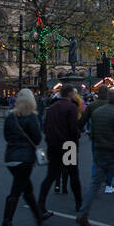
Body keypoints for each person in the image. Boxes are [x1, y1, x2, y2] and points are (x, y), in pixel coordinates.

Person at [76, 86, 114, 226]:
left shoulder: (97, 111)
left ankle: (83, 213)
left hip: (99, 150)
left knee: (95, 183)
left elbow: (91, 130)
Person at [0, 88, 52, 226]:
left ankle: (38, 216)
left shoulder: (11, 117)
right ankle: (6, 223)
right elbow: (37, 138)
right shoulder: (31, 117)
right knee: (16, 190)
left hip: (10, 157)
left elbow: (6, 136)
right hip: (25, 158)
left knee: (26, 187)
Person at [38, 85, 82, 214]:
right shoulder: (71, 107)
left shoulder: (51, 108)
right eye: (73, 93)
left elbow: (45, 127)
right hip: (68, 144)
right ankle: (79, 203)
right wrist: (78, 135)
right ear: (69, 94)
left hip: (53, 144)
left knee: (51, 175)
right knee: (73, 174)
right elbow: (73, 129)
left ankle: (41, 203)